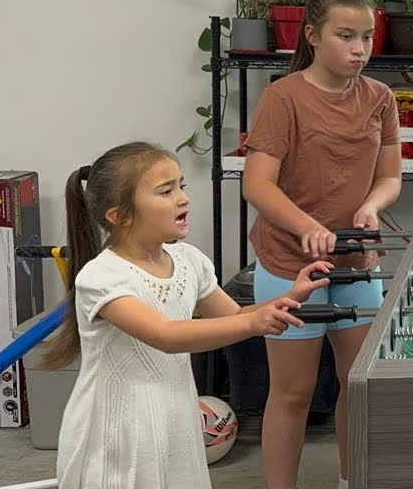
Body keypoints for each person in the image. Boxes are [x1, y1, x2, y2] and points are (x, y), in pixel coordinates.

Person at [43, 141, 332, 489]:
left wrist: (287, 298)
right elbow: (164, 335)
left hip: (176, 419)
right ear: (120, 216)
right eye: (166, 191)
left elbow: (235, 316)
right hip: (118, 430)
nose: (183, 198)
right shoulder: (102, 277)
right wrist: (253, 321)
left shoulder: (189, 261)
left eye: (181, 185)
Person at [242, 0, 401, 489]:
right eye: (345, 36)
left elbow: (390, 177)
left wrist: (371, 207)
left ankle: (351, 480)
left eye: (367, 37)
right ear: (312, 36)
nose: (359, 48)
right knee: (293, 392)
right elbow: (256, 184)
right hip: (288, 261)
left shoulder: (380, 98)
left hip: (356, 260)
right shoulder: (281, 97)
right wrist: (306, 226)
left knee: (359, 387)